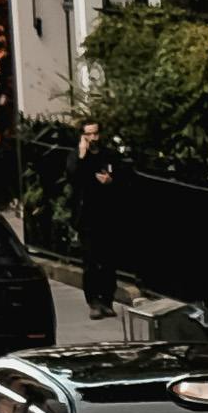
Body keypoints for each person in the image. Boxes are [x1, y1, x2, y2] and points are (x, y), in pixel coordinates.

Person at [71, 112, 124, 319]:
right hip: (87, 216)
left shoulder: (108, 154)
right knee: (91, 261)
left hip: (107, 214)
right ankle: (93, 301)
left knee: (109, 260)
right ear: (83, 136)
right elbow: (73, 177)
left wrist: (111, 180)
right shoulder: (77, 155)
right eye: (89, 134)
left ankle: (107, 300)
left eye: (96, 134)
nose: (93, 138)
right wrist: (82, 155)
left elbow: (122, 175)